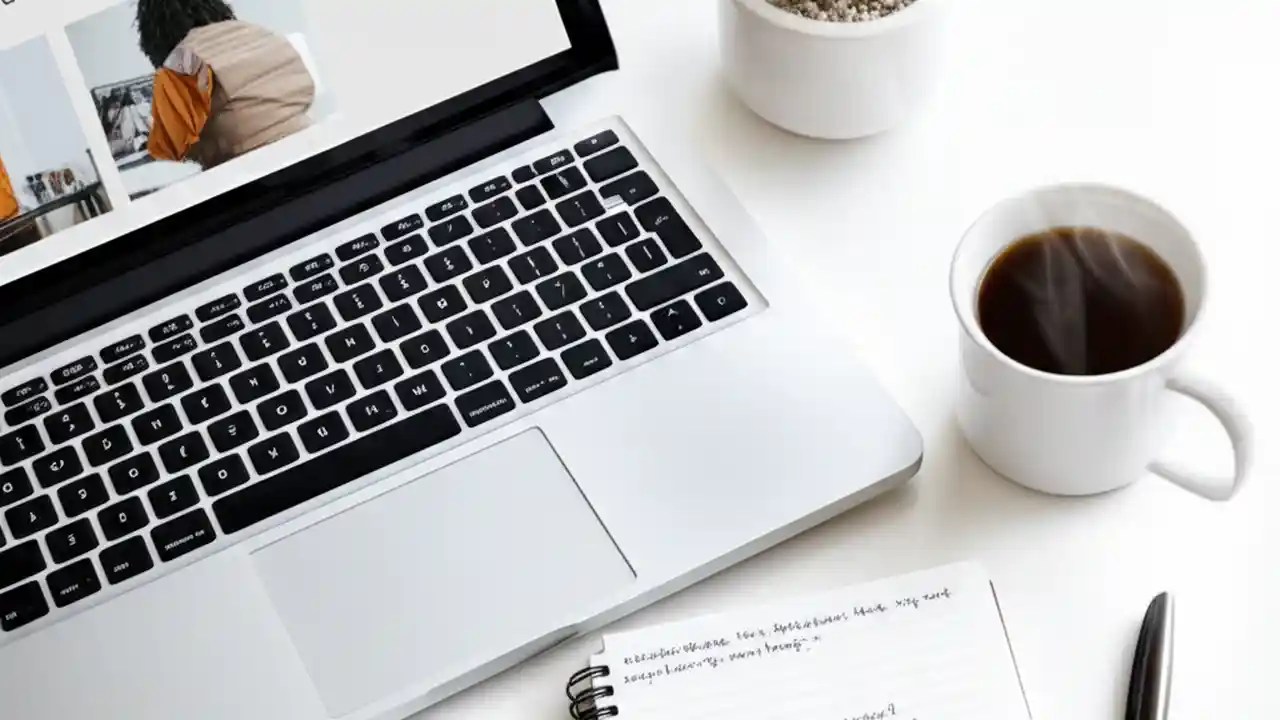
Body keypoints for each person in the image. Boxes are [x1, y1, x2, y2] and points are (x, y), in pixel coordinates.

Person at [138, 0, 316, 170]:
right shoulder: (259, 33)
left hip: (251, 175)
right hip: (312, 144)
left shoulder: (180, 63)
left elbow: (174, 147)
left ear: (155, 35)